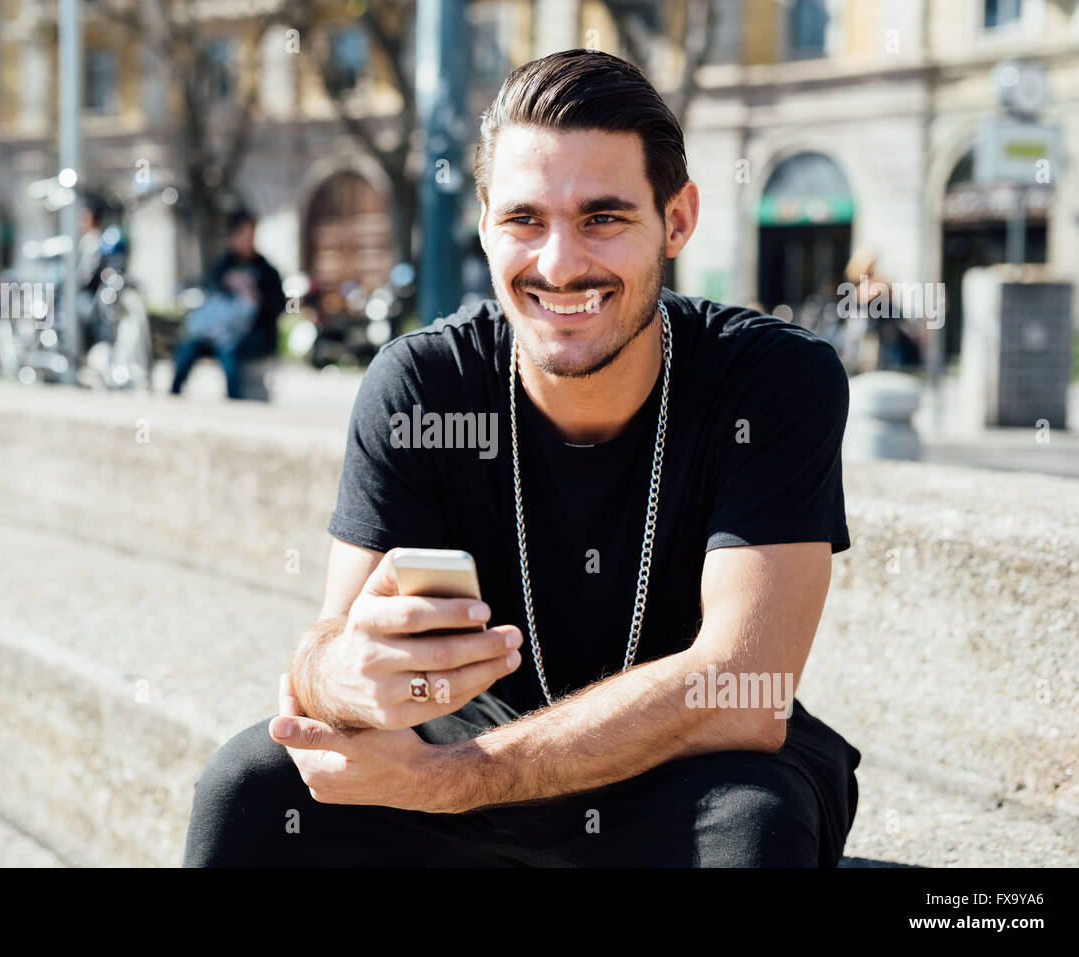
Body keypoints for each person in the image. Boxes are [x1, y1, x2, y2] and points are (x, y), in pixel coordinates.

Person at [183, 49, 861, 867]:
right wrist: (342, 672)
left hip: (684, 765)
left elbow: (745, 688)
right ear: (483, 222)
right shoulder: (424, 385)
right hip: (466, 745)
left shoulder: (774, 379)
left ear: (676, 220)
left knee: (756, 824)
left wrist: (452, 779)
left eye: (603, 218)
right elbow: (327, 654)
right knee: (250, 786)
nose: (559, 263)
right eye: (525, 219)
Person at [170, 209, 285, 399]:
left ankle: (234, 399)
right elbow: (207, 291)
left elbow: (279, 304)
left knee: (229, 350)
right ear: (233, 237)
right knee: (189, 347)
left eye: (251, 235)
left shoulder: (266, 270)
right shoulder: (223, 266)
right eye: (244, 235)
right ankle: (174, 394)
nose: (248, 240)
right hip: (215, 331)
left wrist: (258, 297)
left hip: (251, 334)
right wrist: (226, 283)